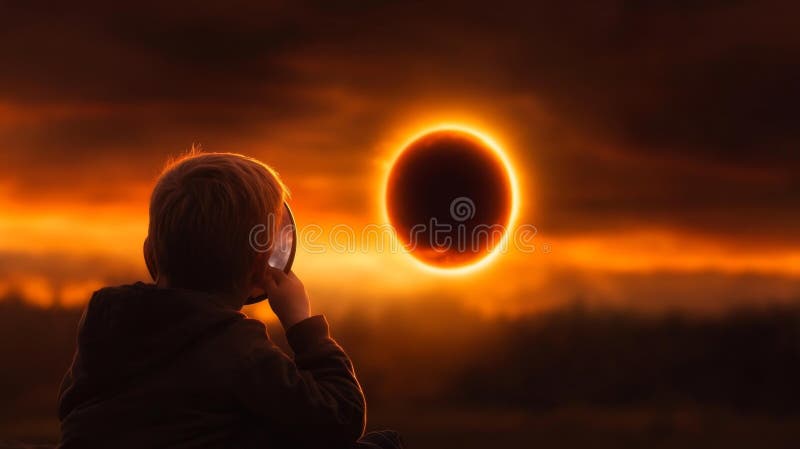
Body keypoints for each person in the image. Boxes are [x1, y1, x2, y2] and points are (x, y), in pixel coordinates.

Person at [56, 152, 404, 449]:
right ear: (260, 270)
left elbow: (71, 407)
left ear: (150, 254)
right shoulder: (236, 347)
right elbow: (340, 418)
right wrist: (303, 326)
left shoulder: (105, 318)